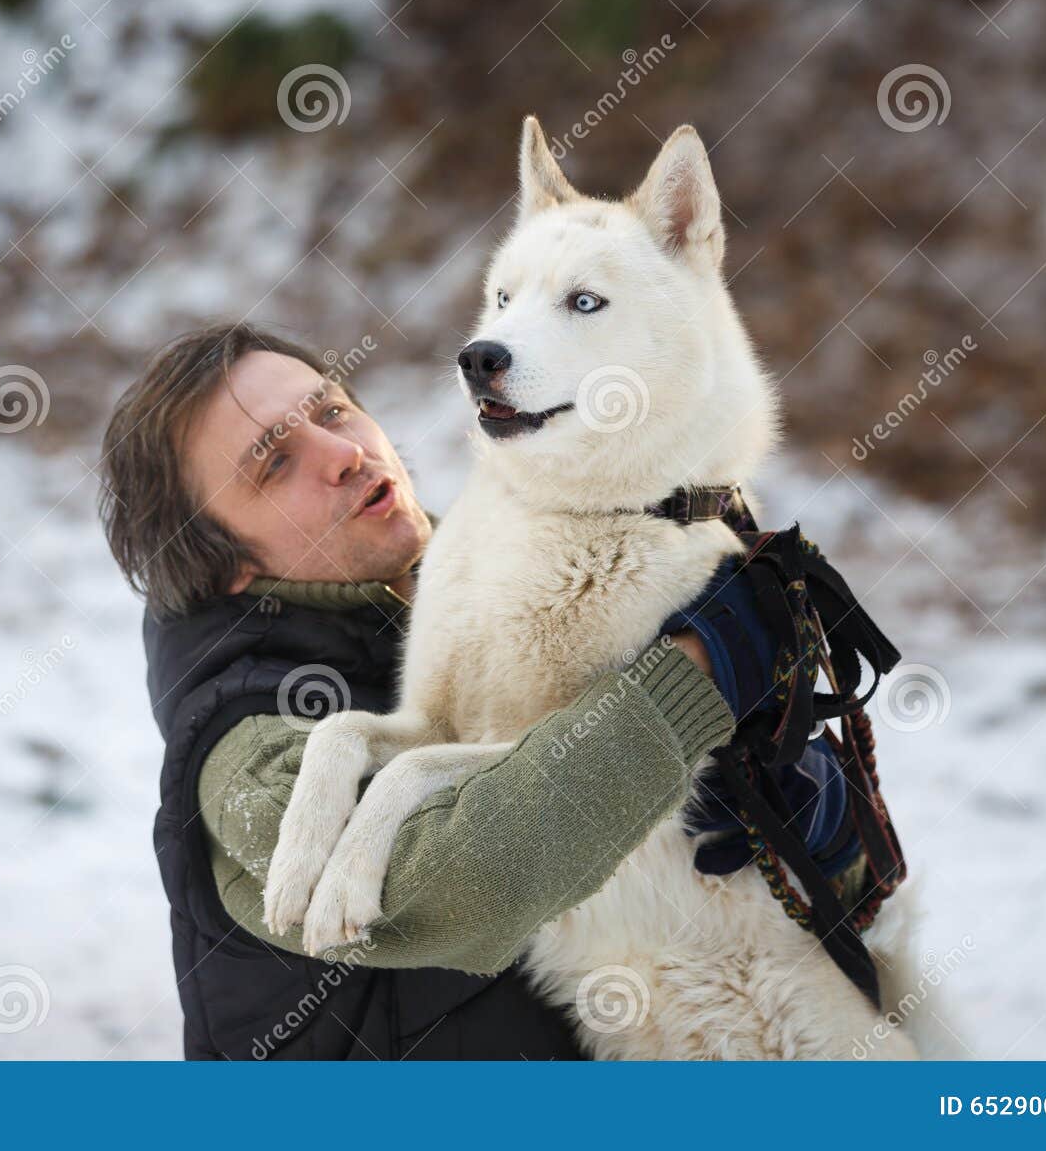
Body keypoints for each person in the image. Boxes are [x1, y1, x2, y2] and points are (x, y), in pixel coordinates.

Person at [98, 321, 734, 1060]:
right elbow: (460, 877)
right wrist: (696, 677)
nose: (344, 454)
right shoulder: (241, 754)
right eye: (274, 463)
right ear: (226, 566)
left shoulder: (505, 585)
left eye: (332, 410)